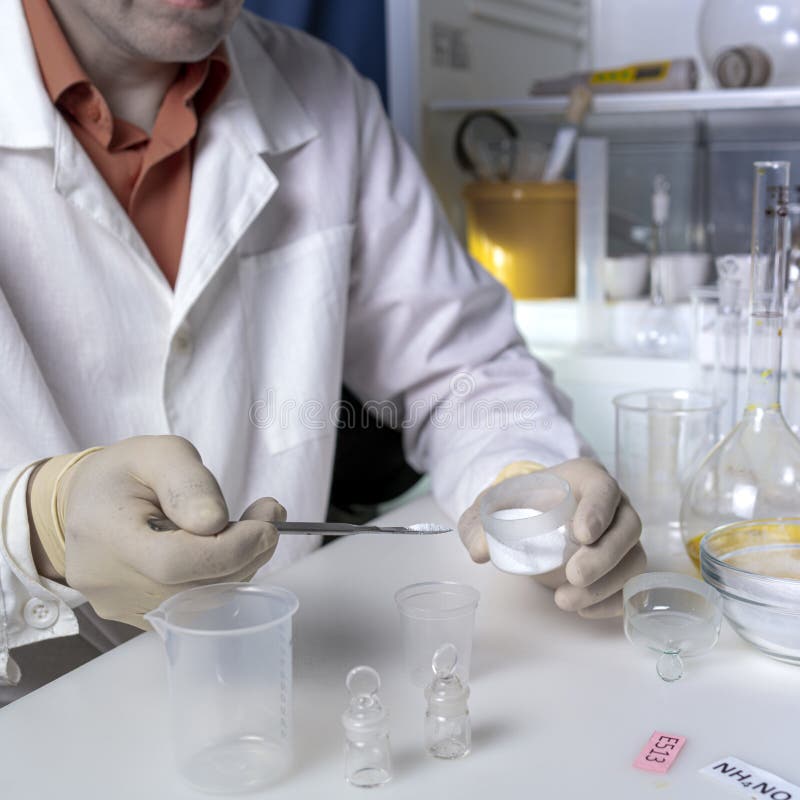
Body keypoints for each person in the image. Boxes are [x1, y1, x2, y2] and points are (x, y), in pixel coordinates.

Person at [0, 0, 645, 700]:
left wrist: (526, 484)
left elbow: (464, 369)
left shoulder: (323, 91)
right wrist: (36, 526)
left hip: (282, 687)